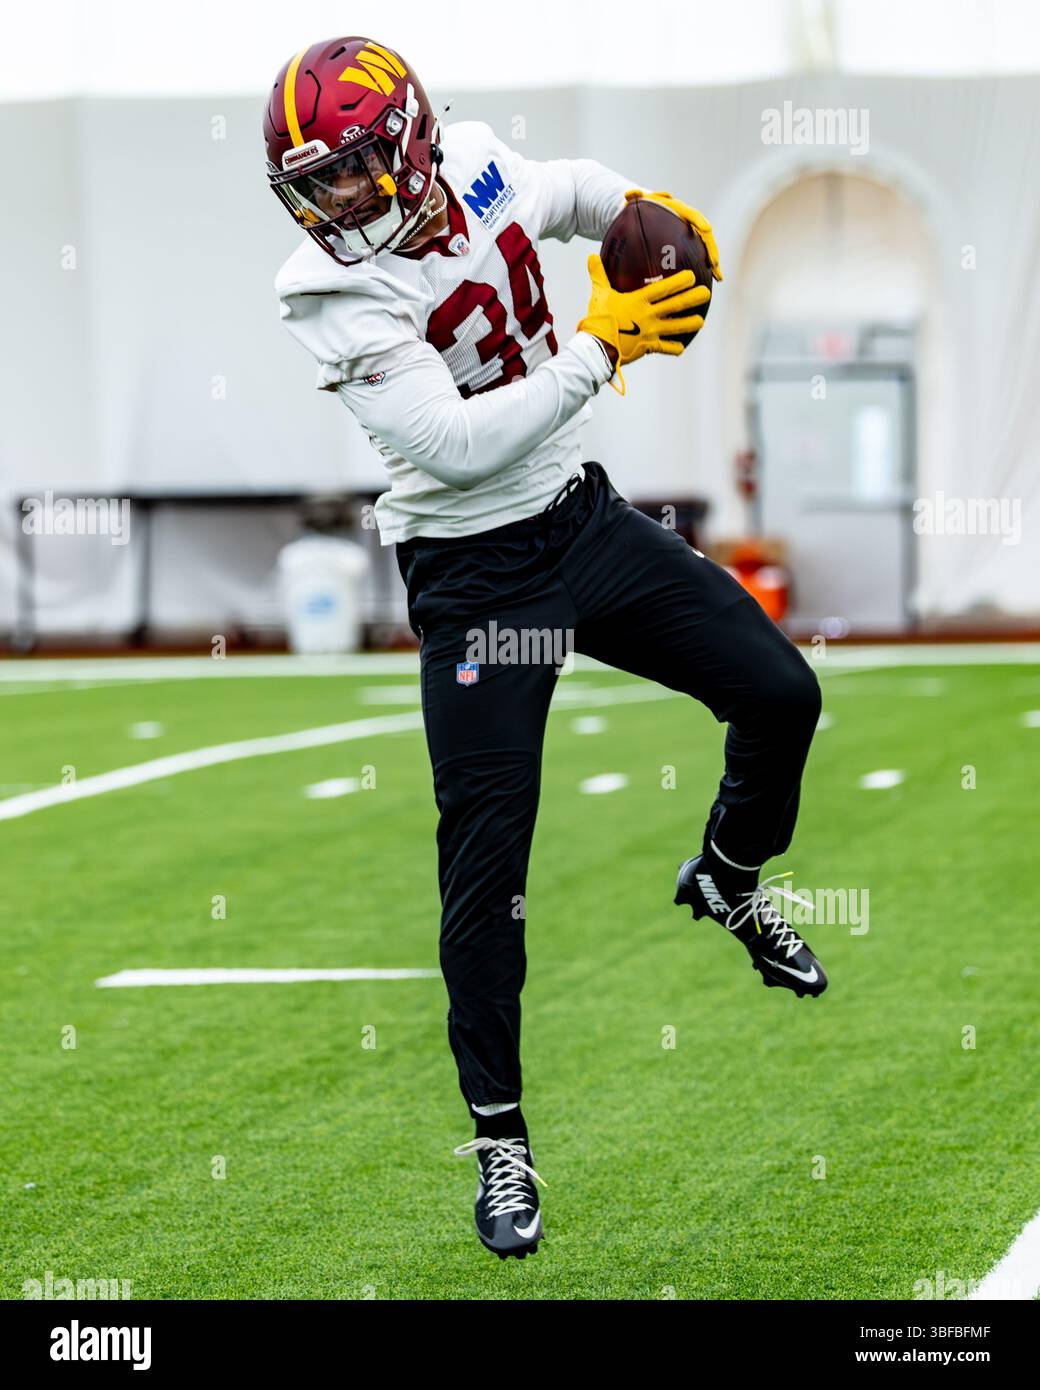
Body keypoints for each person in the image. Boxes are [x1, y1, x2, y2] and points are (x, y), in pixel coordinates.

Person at [264, 34, 826, 1261]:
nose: (339, 203)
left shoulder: (470, 162)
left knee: (780, 692)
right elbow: (460, 447)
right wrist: (604, 343)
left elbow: (570, 191)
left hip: (580, 521)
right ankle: (501, 1138)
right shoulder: (329, 294)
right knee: (486, 868)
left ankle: (727, 875)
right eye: (317, 185)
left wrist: (643, 211)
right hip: (471, 576)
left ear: (412, 141)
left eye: (358, 171)